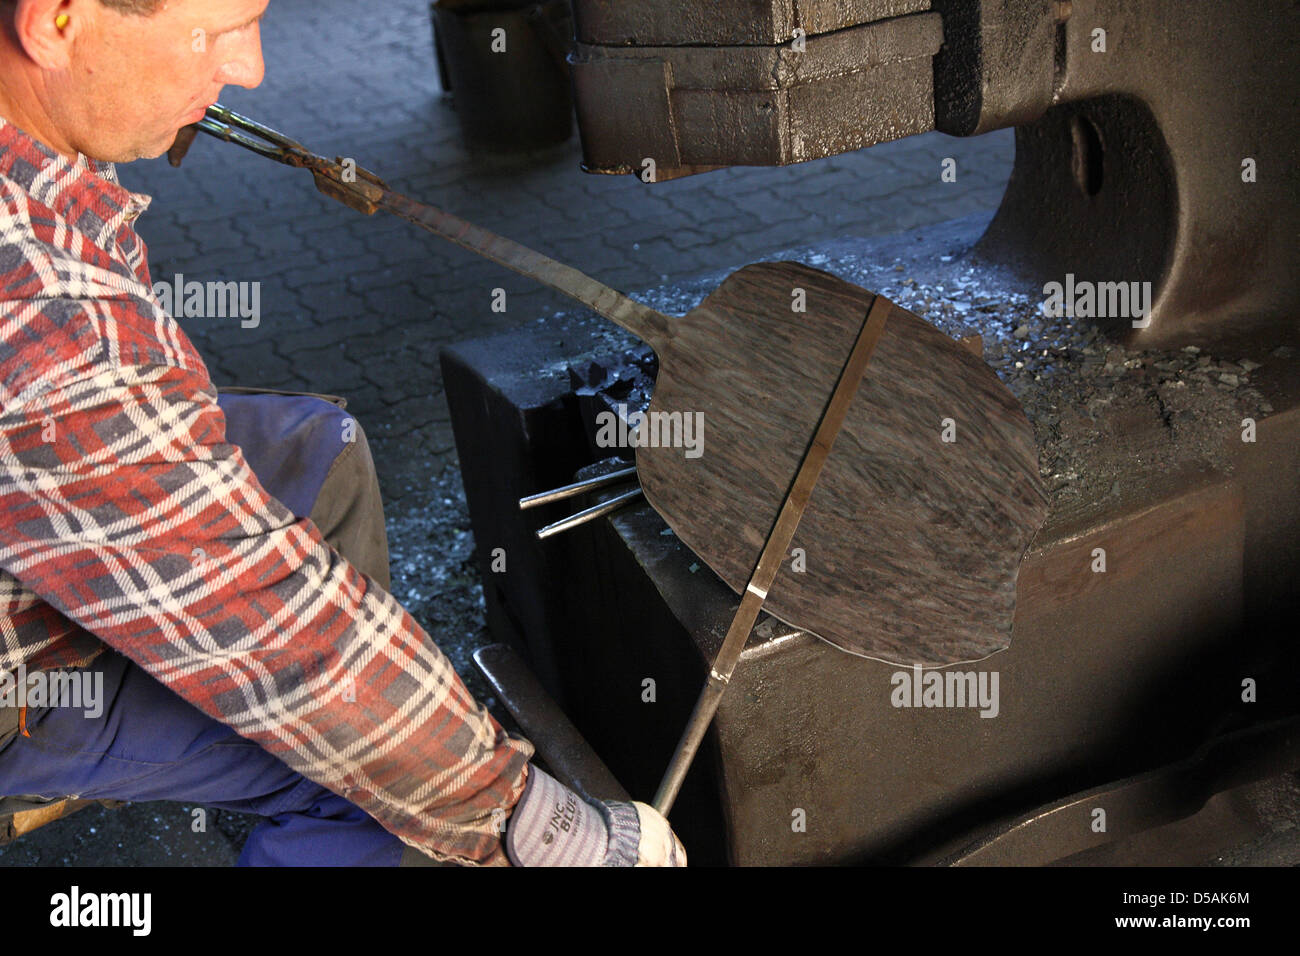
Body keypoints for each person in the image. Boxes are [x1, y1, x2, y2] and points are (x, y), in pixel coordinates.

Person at [0, 0, 685, 866]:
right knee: (370, 786)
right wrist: (526, 818)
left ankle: (358, 699)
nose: (249, 68)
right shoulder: (42, 315)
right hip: (22, 668)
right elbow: (252, 608)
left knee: (320, 446)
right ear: (56, 22)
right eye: (217, 31)